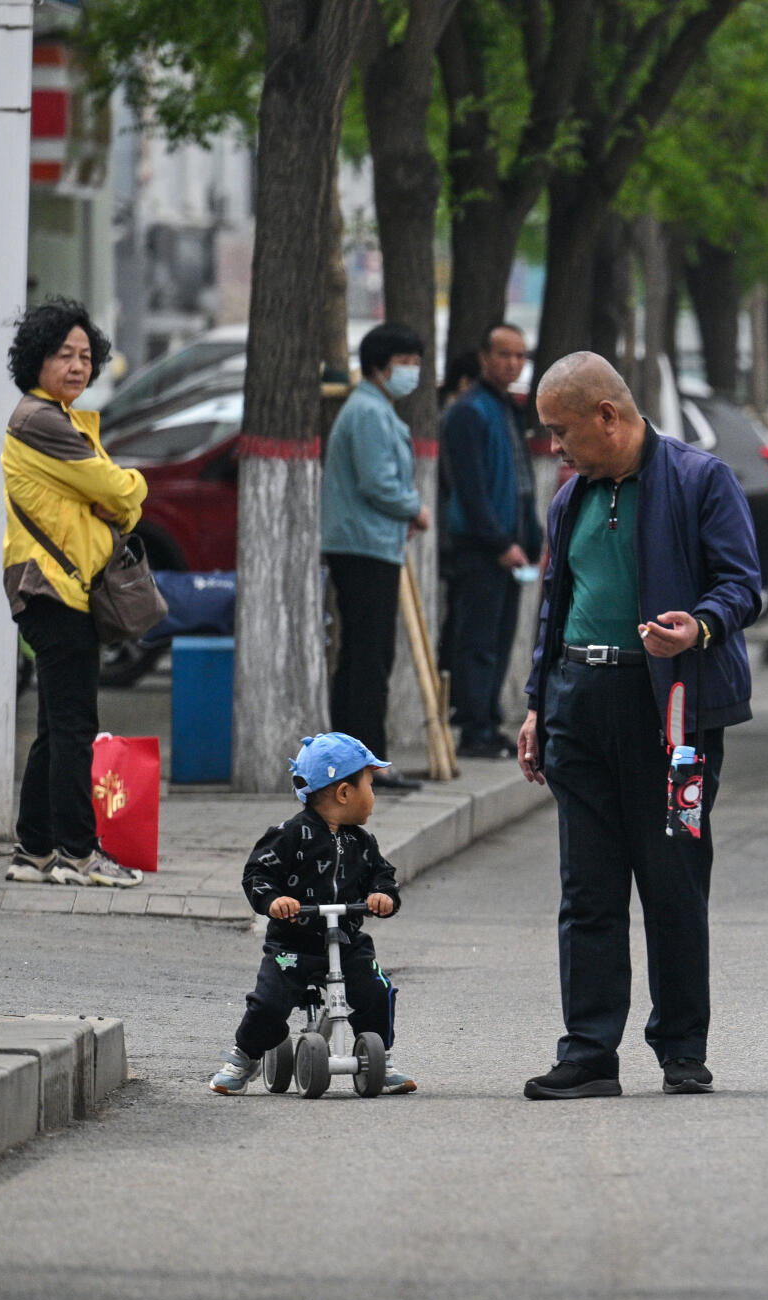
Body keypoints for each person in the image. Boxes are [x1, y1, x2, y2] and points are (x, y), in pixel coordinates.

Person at [517, 352, 762, 1100]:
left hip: (671, 716)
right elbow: (553, 609)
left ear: (608, 417)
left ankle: (682, 1048)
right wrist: (536, 704)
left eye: (561, 430)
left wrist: (700, 626)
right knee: (586, 889)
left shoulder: (698, 480)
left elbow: (741, 583)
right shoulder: (572, 499)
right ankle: (589, 1051)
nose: (554, 446)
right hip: (579, 704)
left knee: (672, 882)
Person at [0, 297, 148, 888]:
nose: (77, 365)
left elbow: (106, 497)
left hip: (56, 588)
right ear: (37, 358)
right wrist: (133, 486)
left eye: (86, 355)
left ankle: (33, 849)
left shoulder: (57, 419)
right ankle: (79, 854)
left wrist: (113, 495)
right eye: (64, 353)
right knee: (73, 726)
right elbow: (115, 488)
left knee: (55, 726)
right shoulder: (41, 422)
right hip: (52, 587)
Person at [207, 733, 415, 1095]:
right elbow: (257, 874)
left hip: (345, 941)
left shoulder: (362, 843)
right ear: (344, 793)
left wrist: (383, 895)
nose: (373, 794)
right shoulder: (289, 835)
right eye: (369, 783)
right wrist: (273, 901)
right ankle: (244, 1056)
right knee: (269, 1004)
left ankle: (381, 1057)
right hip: (293, 943)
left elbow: (383, 875)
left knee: (376, 991)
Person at [319, 321, 431, 792]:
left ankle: (355, 759)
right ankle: (364, 762)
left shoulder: (375, 409)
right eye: (404, 363)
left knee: (365, 657)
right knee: (368, 659)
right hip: (363, 547)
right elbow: (377, 482)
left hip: (370, 544)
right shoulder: (367, 412)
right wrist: (414, 508)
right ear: (380, 367)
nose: (411, 372)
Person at [438, 323, 544, 757]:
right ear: (484, 358)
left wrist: (532, 534)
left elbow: (520, 482)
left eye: (520, 356)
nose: (513, 364)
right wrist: (500, 542)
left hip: (511, 547)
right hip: (482, 548)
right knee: (477, 641)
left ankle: (488, 721)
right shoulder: (469, 411)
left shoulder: (508, 409)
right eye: (504, 354)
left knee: (500, 638)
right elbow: (471, 489)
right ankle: (474, 726)